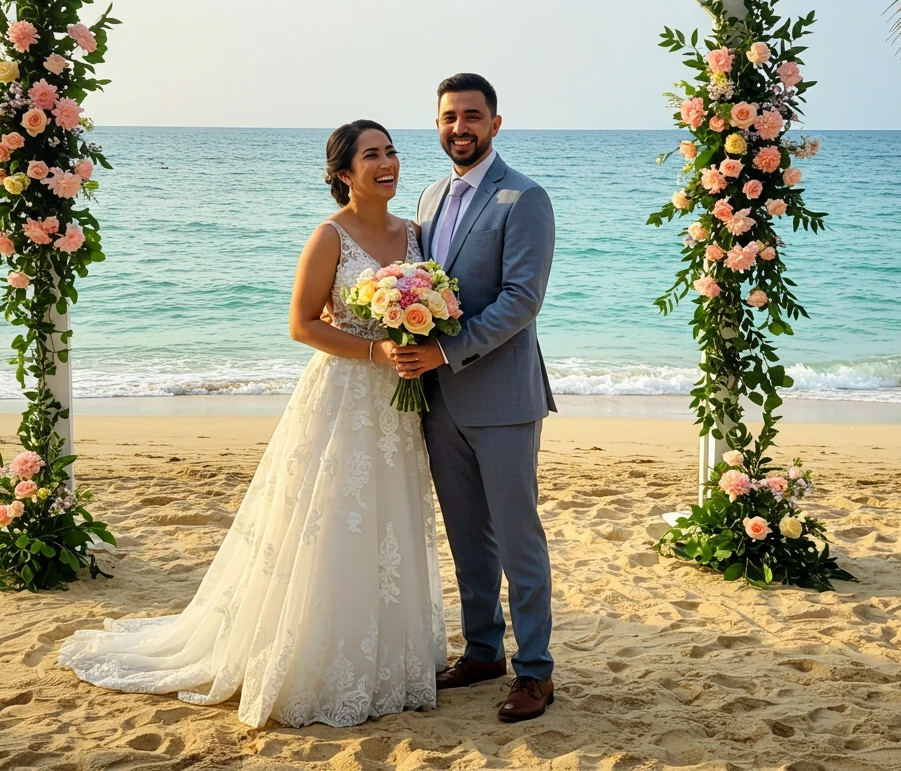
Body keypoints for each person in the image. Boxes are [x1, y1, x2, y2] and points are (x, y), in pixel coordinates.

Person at [57, 121, 446, 728]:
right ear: (344, 172)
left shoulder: (416, 233)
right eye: (372, 154)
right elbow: (302, 325)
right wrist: (375, 351)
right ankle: (314, 657)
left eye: (392, 151)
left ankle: (387, 659)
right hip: (345, 394)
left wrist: (420, 333)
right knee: (333, 519)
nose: (387, 162)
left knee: (387, 524)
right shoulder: (330, 237)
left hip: (398, 400)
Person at [395, 73, 558, 722]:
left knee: (518, 539)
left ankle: (536, 672)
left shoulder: (525, 198)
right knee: (467, 536)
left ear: (494, 122)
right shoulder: (431, 195)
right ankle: (484, 650)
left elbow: (522, 299)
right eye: (447, 117)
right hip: (440, 401)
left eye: (470, 116)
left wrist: (443, 350)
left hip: (503, 399)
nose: (458, 127)